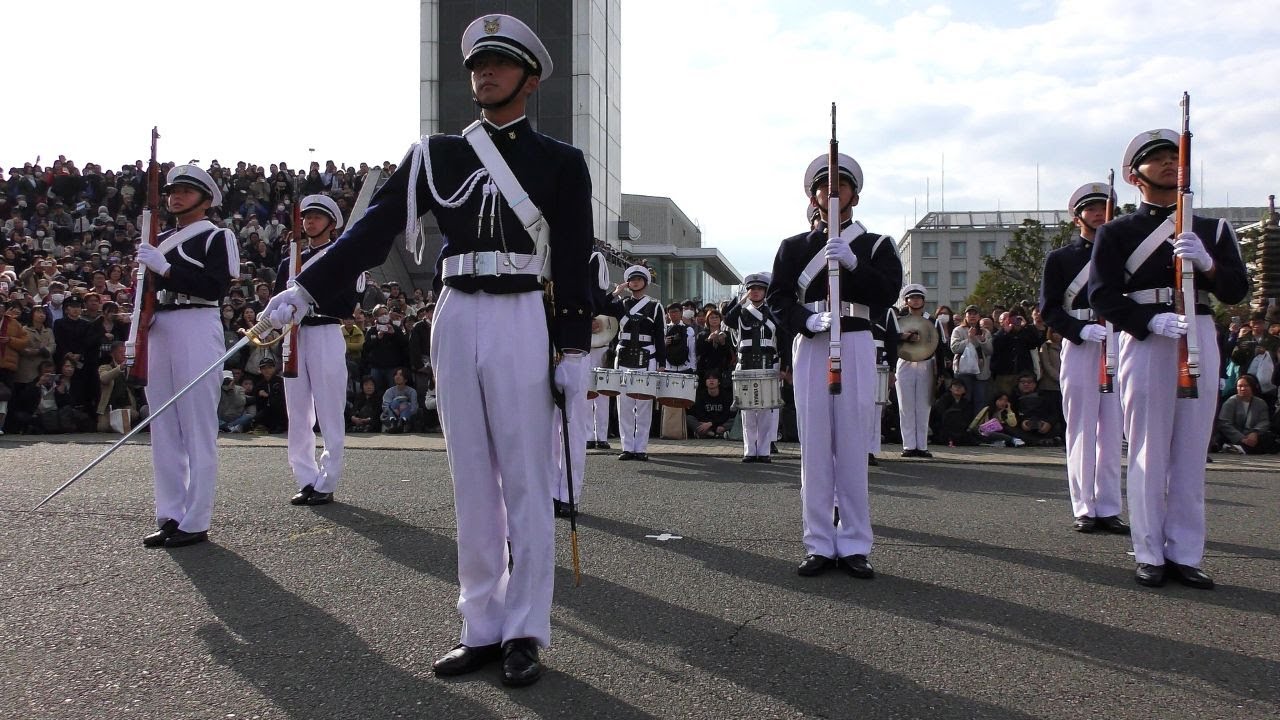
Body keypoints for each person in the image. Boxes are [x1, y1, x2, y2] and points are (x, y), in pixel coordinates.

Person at [265, 14, 592, 685]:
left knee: (526, 479)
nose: (484, 74)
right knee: (470, 478)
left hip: (522, 314)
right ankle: (481, 624)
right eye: (477, 65)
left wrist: (574, 349)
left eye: (499, 64)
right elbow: (372, 229)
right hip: (454, 312)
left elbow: (578, 261)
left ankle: (526, 628)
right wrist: (305, 288)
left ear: (528, 78)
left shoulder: (560, 161)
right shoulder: (433, 154)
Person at [1089, 128, 1250, 589]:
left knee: (1191, 450)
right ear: (1135, 176)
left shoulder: (1212, 230)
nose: (1168, 164)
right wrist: (1145, 322)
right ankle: (1148, 550)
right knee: (1148, 447)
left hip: (1196, 328)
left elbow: (1237, 289)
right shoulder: (1117, 231)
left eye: (1173, 157)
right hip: (1147, 335)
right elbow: (1103, 295)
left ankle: (1185, 551)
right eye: (1157, 158)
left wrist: (1209, 264)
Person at [767, 151, 902, 579]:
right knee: (816, 449)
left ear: (854, 196)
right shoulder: (794, 247)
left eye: (840, 186)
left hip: (859, 339)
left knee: (851, 446)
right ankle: (820, 543)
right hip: (812, 343)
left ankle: (856, 543)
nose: (832, 192)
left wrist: (854, 263)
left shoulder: (876, 245)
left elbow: (887, 293)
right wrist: (805, 320)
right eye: (824, 186)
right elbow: (777, 299)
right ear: (814, 197)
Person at [136, 165, 238, 549]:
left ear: (205, 199)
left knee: (196, 423)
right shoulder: (157, 238)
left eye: (185, 191)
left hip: (197, 321)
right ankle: (170, 513)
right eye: (172, 191)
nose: (175, 196)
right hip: (160, 325)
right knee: (163, 423)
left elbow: (216, 285)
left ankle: (196, 519)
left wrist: (164, 267)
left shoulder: (216, 236)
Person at [1039, 182, 1128, 535]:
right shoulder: (1061, 259)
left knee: (1112, 429)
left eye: (1104, 208)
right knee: (1081, 427)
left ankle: (1108, 506)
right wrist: (1077, 331)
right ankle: (1084, 506)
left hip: (1116, 339)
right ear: (1078, 216)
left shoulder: (1122, 255)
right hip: (1081, 343)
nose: (1098, 214)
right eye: (1091, 209)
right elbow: (1048, 308)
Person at [274, 194, 357, 507]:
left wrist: (307, 304)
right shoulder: (289, 260)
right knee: (297, 412)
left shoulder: (340, 257)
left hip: (324, 331)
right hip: (293, 336)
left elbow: (347, 303)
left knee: (329, 409)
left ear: (331, 224)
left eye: (318, 217)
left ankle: (328, 479)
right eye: (307, 217)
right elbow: (277, 300)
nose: (310, 221)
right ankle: (305, 477)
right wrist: (281, 313)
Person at [601, 266, 666, 461]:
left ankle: (641, 448)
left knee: (644, 404)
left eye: (639, 279)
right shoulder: (620, 303)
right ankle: (627, 447)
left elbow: (659, 336)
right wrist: (615, 292)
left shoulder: (655, 306)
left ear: (645, 283)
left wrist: (662, 362)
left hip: (648, 355)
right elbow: (601, 306)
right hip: (624, 354)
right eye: (632, 279)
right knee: (625, 403)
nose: (635, 282)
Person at [723, 272, 781, 462]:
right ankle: (749, 450)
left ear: (765, 291)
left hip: (767, 363)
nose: (755, 292)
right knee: (747, 411)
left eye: (759, 289)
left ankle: (763, 451)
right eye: (752, 289)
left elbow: (784, 338)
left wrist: (785, 365)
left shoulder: (772, 311)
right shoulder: (741, 311)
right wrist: (741, 300)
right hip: (746, 363)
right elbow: (727, 320)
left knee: (765, 410)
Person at [896, 284, 934, 458]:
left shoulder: (932, 320)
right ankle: (909, 445)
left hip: (926, 363)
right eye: (912, 298)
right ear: (906, 301)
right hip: (905, 361)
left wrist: (940, 372)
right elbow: (892, 339)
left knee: (923, 405)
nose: (916, 300)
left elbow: (939, 346)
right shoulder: (898, 320)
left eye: (919, 298)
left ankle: (922, 445)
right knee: (906, 405)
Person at [1216, 374, 1276, 454]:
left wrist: (1255, 433)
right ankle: (1241, 448)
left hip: (1252, 435)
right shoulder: (1230, 402)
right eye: (1240, 386)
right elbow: (1224, 423)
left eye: (1246, 386)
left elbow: (1264, 422)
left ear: (1252, 387)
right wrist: (1241, 438)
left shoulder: (1260, 403)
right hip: (1235, 435)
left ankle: (1238, 449)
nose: (1243, 389)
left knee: (1269, 439)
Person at [950, 305, 992, 412]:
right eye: (970, 314)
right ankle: (963, 425)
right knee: (965, 400)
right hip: (963, 372)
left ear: (979, 317)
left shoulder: (985, 332)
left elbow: (989, 351)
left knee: (980, 401)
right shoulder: (958, 330)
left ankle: (978, 426)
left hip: (981, 373)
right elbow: (954, 348)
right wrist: (969, 338)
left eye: (975, 314)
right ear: (965, 316)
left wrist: (983, 341)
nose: (972, 316)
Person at [686, 374, 735, 439]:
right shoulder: (701, 395)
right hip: (706, 424)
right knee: (688, 418)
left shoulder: (725, 396)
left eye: (714, 378)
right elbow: (700, 413)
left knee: (735, 419)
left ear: (719, 382)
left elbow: (726, 415)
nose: (711, 380)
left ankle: (705, 434)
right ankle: (715, 434)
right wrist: (708, 424)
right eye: (708, 379)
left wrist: (712, 424)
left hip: (720, 423)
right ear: (705, 382)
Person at [380, 367, 418, 433]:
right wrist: (395, 410)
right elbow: (385, 406)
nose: (397, 377)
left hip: (407, 415)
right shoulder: (389, 391)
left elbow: (414, 408)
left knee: (406, 404)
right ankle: (393, 424)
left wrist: (402, 411)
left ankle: (401, 423)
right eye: (396, 375)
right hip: (391, 414)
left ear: (406, 379)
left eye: (400, 375)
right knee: (395, 402)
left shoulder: (412, 391)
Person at [663, 302, 697, 375]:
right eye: (671, 312)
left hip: (685, 368)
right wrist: (664, 343)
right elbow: (658, 349)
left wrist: (693, 368)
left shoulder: (689, 329)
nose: (673, 314)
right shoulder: (664, 329)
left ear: (681, 312)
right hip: (668, 367)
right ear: (668, 314)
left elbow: (692, 350)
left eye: (676, 311)